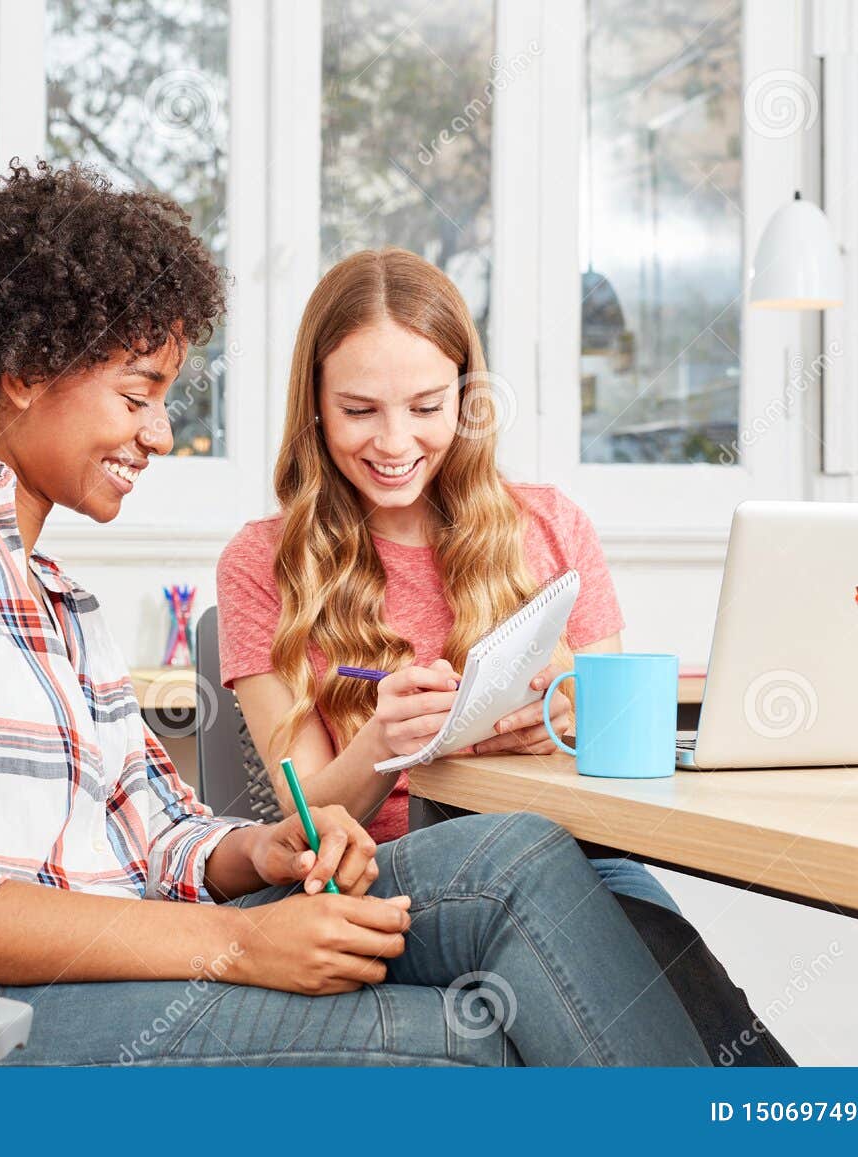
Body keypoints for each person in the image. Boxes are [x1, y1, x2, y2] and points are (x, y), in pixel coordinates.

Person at [0, 161, 710, 1068]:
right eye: (138, 394)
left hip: (82, 982)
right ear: (24, 371)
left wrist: (262, 851)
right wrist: (233, 940)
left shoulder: (54, 598)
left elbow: (158, 835)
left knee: (517, 856)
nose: (159, 433)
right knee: (460, 1036)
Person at [217, 246, 793, 1066]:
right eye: (358, 410)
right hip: (392, 875)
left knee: (664, 951)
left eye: (425, 405)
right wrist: (383, 743)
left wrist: (572, 711)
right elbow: (304, 809)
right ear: (312, 406)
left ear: (465, 395)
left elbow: (626, 758)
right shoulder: (264, 561)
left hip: (572, 855)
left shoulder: (549, 526)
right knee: (572, 901)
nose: (395, 440)